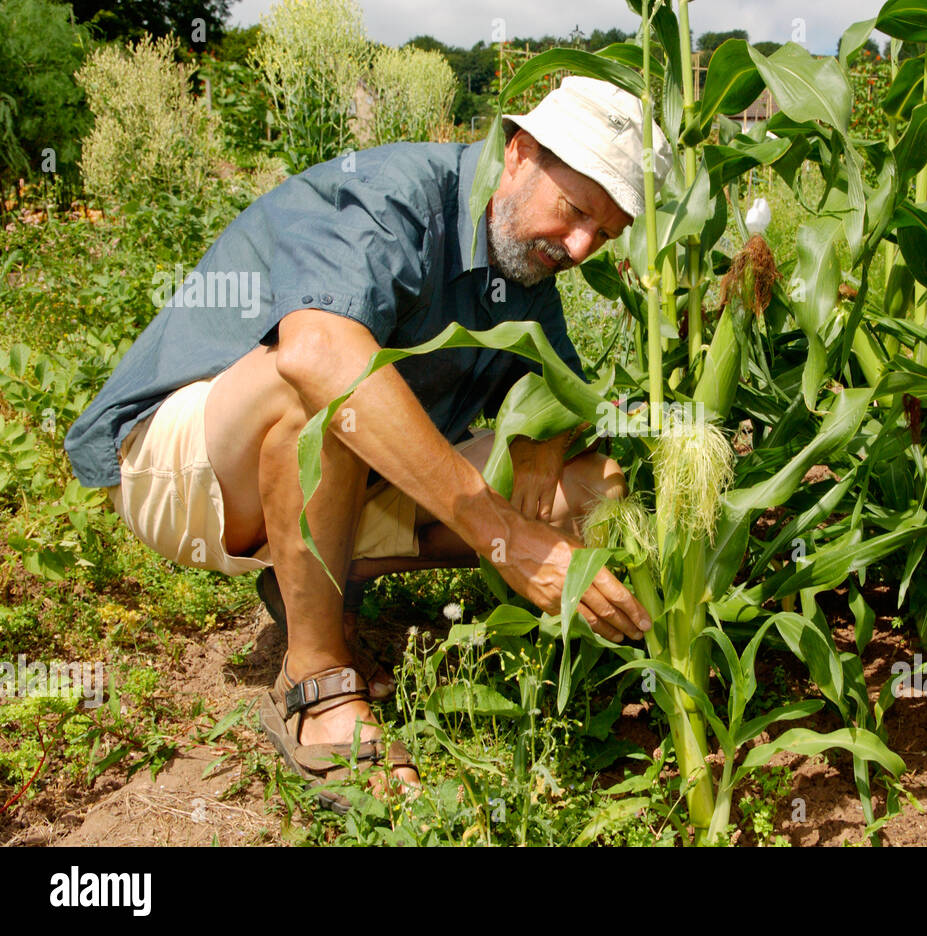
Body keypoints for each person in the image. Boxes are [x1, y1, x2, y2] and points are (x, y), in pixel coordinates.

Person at [64, 76, 671, 810]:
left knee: (593, 485)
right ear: (518, 154)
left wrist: (547, 437)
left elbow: (565, 394)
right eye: (575, 212)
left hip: (329, 487)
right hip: (183, 471)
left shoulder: (526, 263)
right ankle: (314, 681)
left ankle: (316, 577)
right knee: (330, 390)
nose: (579, 247)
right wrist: (507, 536)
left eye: (602, 236)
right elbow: (317, 355)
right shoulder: (394, 195)